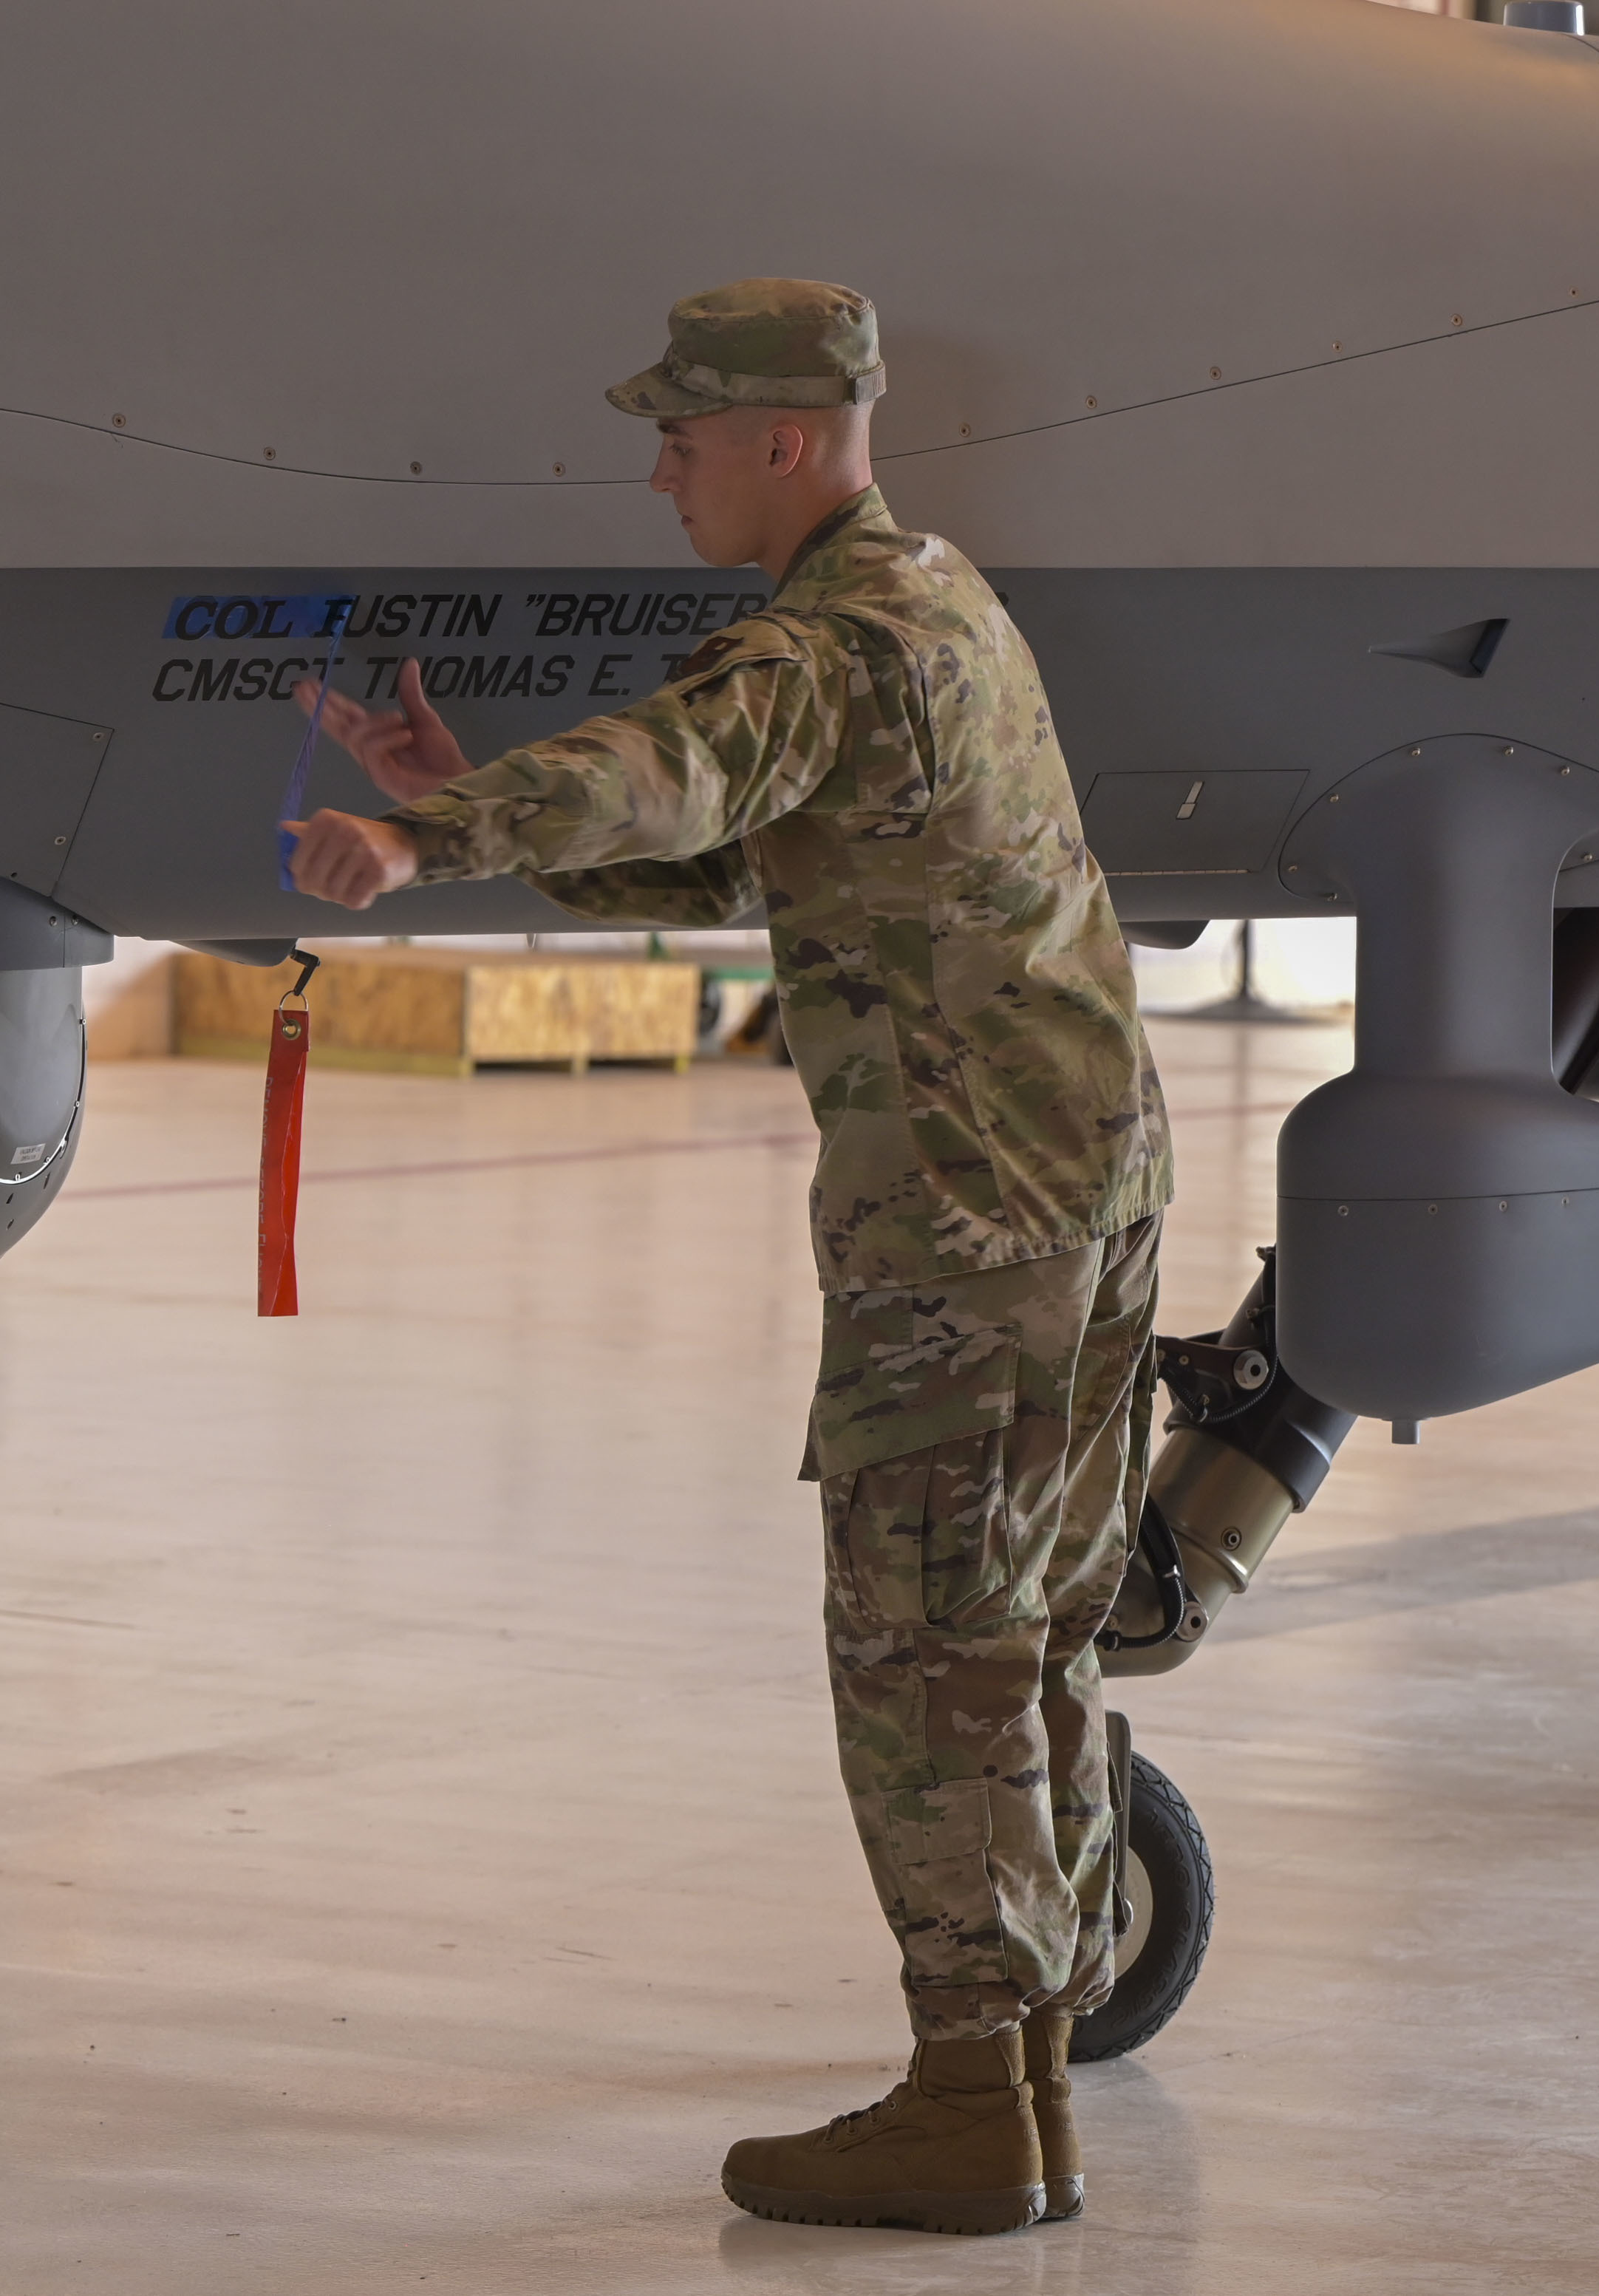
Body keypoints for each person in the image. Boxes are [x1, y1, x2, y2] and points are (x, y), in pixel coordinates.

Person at [287, 279, 1169, 2238]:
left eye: (681, 431)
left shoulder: (835, 638)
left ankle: (968, 2103)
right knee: (1018, 1641)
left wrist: (428, 844)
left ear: (786, 434)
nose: (659, 466)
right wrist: (459, 788)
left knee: (924, 1648)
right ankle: (1017, 2076)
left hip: (961, 1215)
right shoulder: (931, 597)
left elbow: (678, 770)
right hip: (1071, 1184)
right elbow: (736, 842)